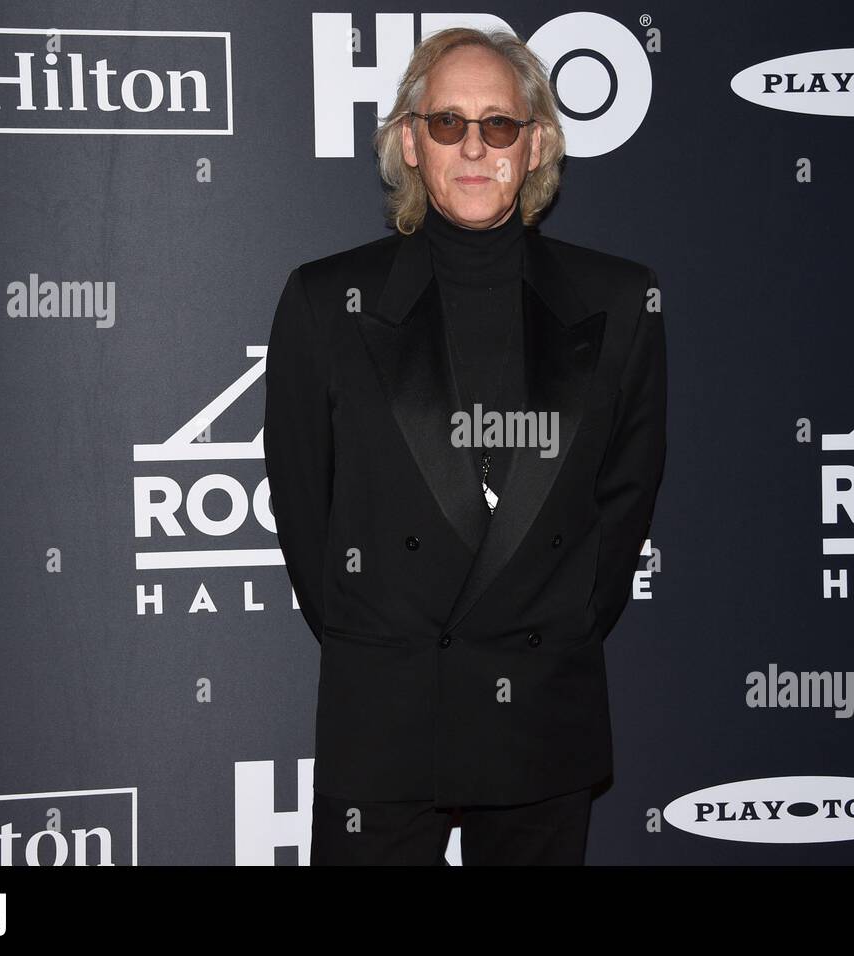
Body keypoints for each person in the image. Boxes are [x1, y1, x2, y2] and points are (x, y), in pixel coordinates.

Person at [263, 26, 667, 865]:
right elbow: (306, 513)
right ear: (411, 142)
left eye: (499, 125)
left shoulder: (622, 301)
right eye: (448, 124)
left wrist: (554, 633)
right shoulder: (325, 302)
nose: (475, 147)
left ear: (537, 144)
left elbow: (626, 499)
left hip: (542, 716)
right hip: (387, 714)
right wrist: (379, 643)